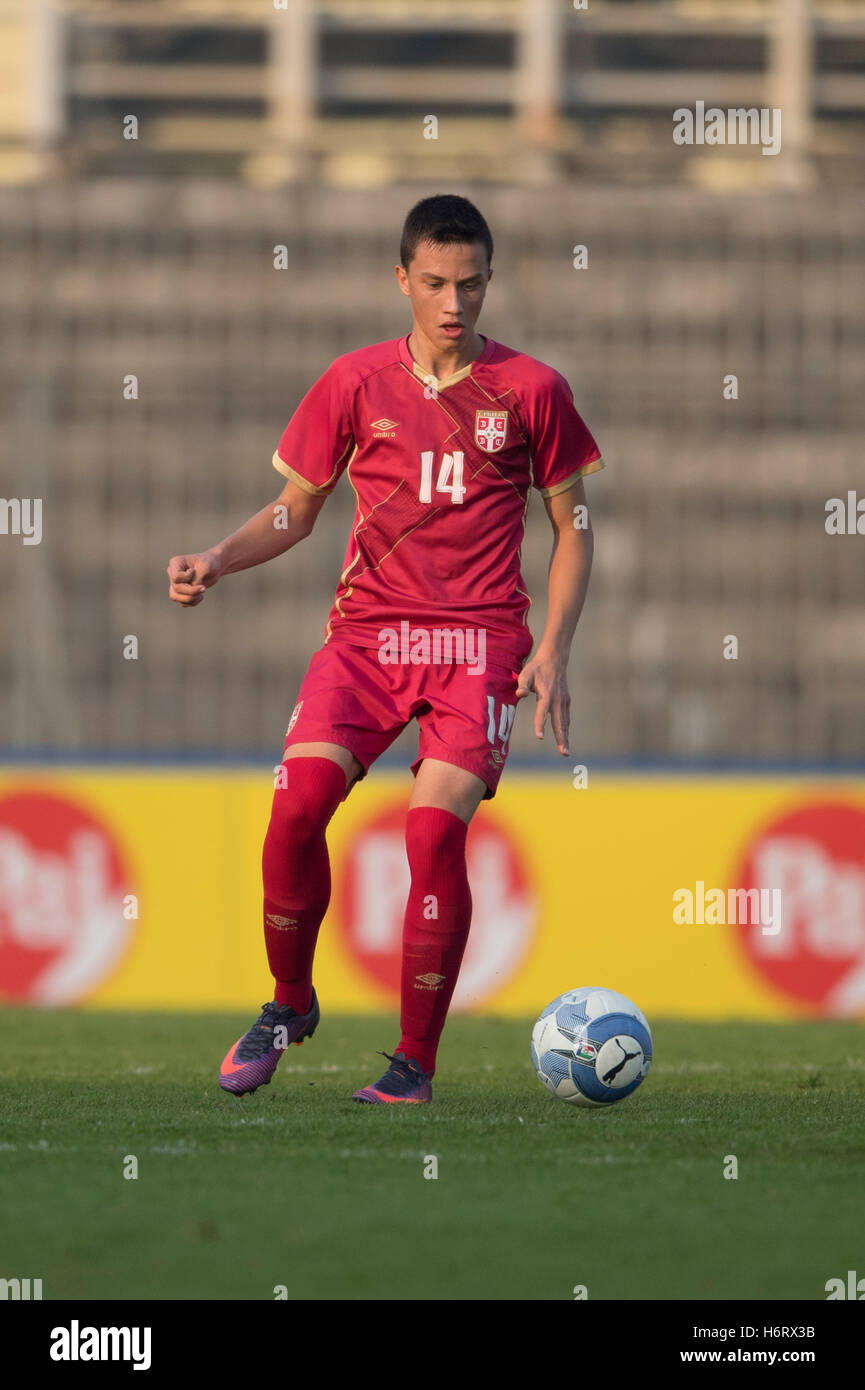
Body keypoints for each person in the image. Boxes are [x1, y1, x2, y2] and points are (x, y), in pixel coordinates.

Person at [166, 194, 602, 1104]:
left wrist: (553, 648)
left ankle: (412, 1067)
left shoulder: (532, 390)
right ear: (401, 279)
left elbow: (573, 529)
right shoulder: (354, 382)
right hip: (367, 637)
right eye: (436, 283)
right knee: (295, 812)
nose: (454, 303)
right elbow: (294, 511)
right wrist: (218, 557)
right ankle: (289, 1003)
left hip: (478, 642)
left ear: (488, 282)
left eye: (471, 284)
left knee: (431, 832)